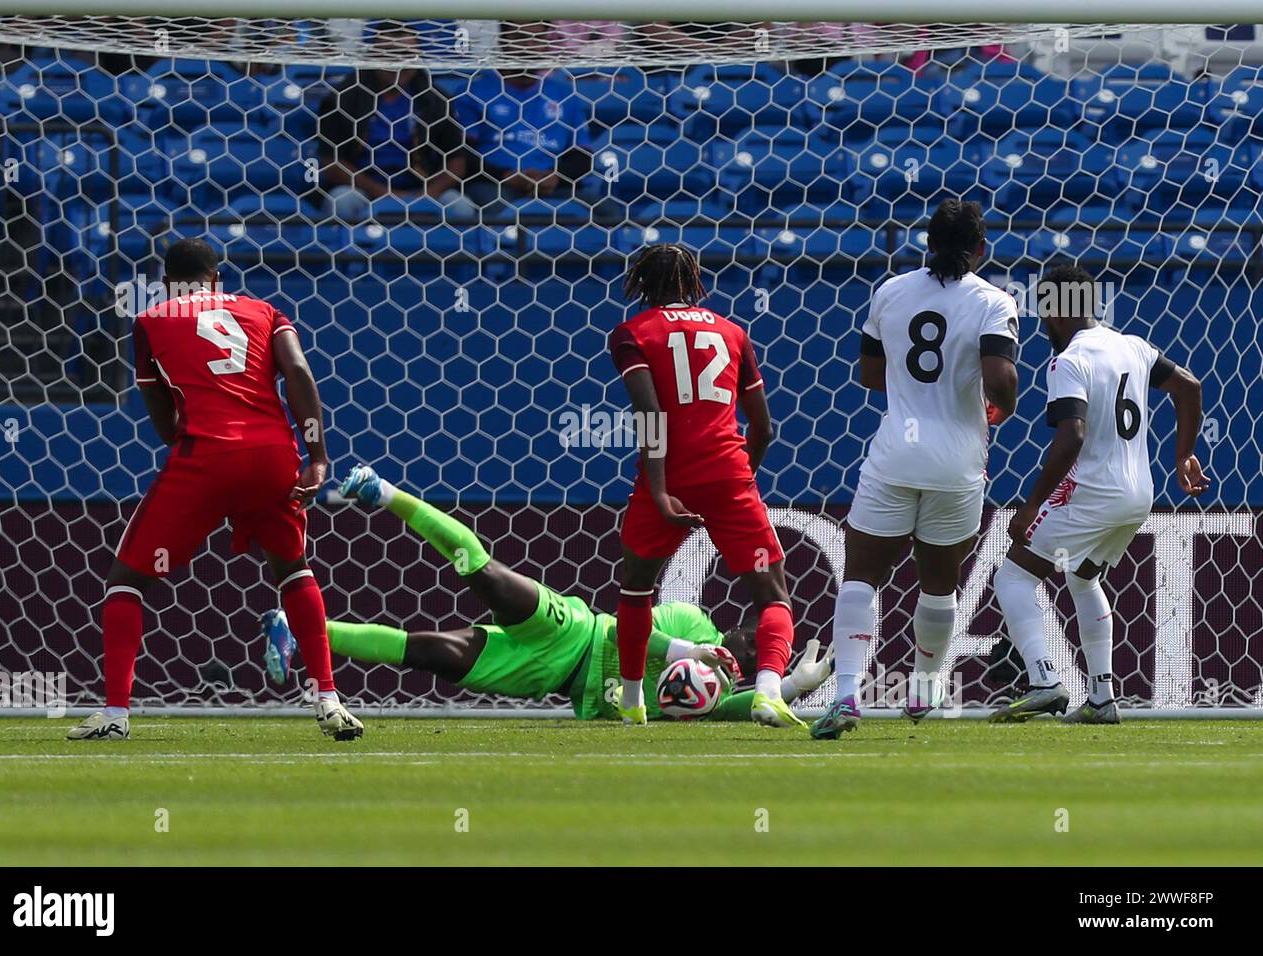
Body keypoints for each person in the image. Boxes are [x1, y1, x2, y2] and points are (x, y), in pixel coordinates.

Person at [67, 238, 362, 741]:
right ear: (217, 276)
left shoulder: (151, 321)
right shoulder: (264, 311)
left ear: (166, 282)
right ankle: (329, 700)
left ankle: (116, 714)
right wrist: (316, 456)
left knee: (129, 579)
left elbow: (159, 412)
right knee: (292, 567)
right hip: (272, 457)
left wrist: (188, 425)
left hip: (203, 460)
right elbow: (297, 372)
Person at [259, 465, 836, 721]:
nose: (746, 654)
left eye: (755, 660)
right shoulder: (691, 623)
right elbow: (621, 629)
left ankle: (301, 634)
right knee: (483, 574)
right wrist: (690, 653)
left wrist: (788, 685)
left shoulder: (712, 700)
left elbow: (743, 712)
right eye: (753, 646)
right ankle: (384, 492)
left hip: (551, 677)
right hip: (569, 631)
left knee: (430, 652)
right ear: (733, 628)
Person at [810, 199, 1019, 741]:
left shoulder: (891, 292)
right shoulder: (994, 302)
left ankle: (846, 695)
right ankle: (926, 688)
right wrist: (996, 404)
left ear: (926, 243)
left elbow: (870, 374)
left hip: (895, 455)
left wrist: (913, 392)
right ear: (981, 248)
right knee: (939, 581)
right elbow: (1000, 380)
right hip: (958, 461)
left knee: (860, 577)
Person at [991, 263, 1208, 724]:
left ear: (1060, 310)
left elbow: (1071, 435)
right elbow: (1189, 386)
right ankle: (1102, 699)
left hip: (1093, 490)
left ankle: (1043, 680)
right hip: (1138, 494)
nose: (1044, 324)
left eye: (1047, 313)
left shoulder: (1070, 360)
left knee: (1012, 578)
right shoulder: (1132, 346)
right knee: (1083, 578)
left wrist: (1032, 505)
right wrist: (1183, 454)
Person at [607, 244, 803, 728]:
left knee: (636, 588)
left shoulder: (631, 334)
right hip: (728, 477)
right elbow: (764, 428)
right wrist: (737, 484)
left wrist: (658, 490)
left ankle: (632, 703)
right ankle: (768, 694)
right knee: (773, 596)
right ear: (694, 281)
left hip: (669, 477)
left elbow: (650, 414)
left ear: (642, 285)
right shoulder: (733, 333)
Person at [316, 23, 472, 221]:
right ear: (371, 56)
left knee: (461, 207)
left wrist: (427, 194)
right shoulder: (343, 97)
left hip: (421, 189)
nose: (398, 62)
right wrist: (383, 193)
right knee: (342, 200)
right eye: (389, 54)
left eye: (406, 54)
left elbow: (457, 162)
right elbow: (331, 162)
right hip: (362, 189)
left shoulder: (436, 99)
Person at [458, 21, 594, 211]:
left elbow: (583, 156)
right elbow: (460, 154)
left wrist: (554, 177)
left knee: (606, 211)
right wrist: (506, 175)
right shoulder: (474, 91)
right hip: (495, 185)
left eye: (537, 39)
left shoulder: (564, 94)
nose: (529, 47)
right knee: (498, 210)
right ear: (503, 41)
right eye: (521, 38)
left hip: (552, 187)